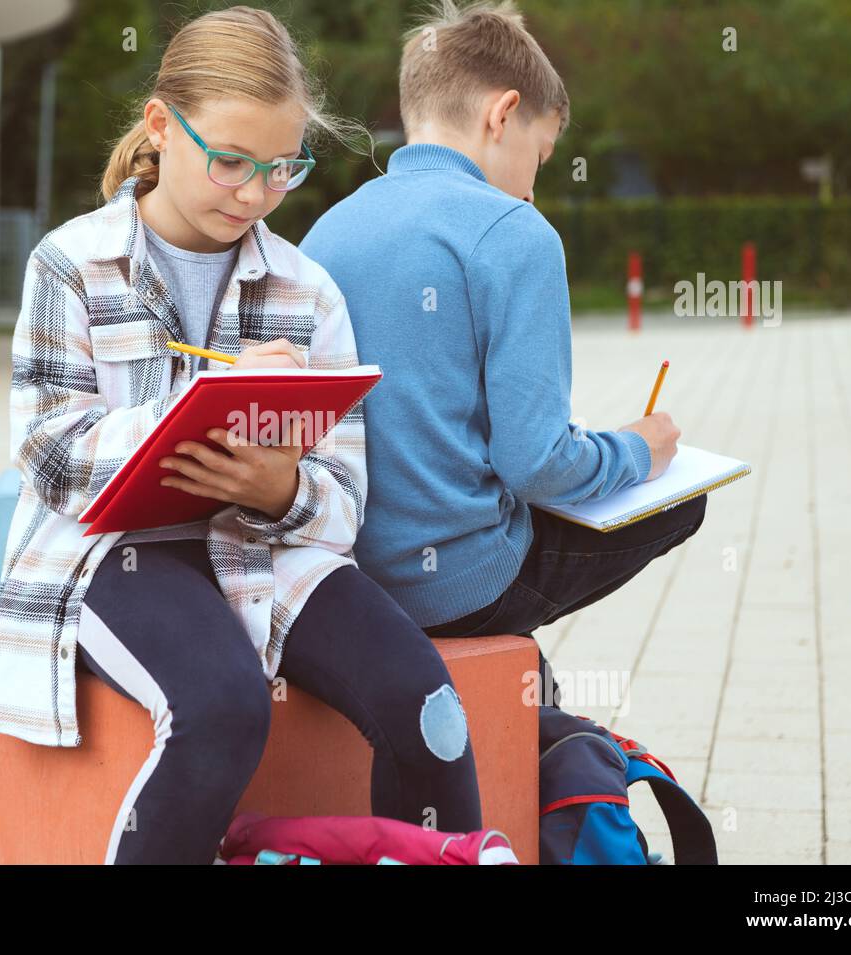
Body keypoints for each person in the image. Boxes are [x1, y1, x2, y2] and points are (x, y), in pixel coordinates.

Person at [0, 5, 483, 865]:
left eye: (282, 168)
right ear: (161, 129)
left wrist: (280, 489)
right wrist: (202, 403)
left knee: (429, 708)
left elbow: (344, 500)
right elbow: (53, 457)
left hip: (265, 544)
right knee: (222, 707)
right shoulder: (71, 264)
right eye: (232, 163)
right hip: (113, 552)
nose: (254, 194)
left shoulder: (308, 289)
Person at [298, 0, 706, 704]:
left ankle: (528, 706)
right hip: (462, 589)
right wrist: (638, 448)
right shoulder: (517, 232)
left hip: (346, 582)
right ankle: (529, 727)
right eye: (540, 157)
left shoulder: (325, 232)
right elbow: (536, 463)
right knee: (683, 503)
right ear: (503, 112)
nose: (533, 185)